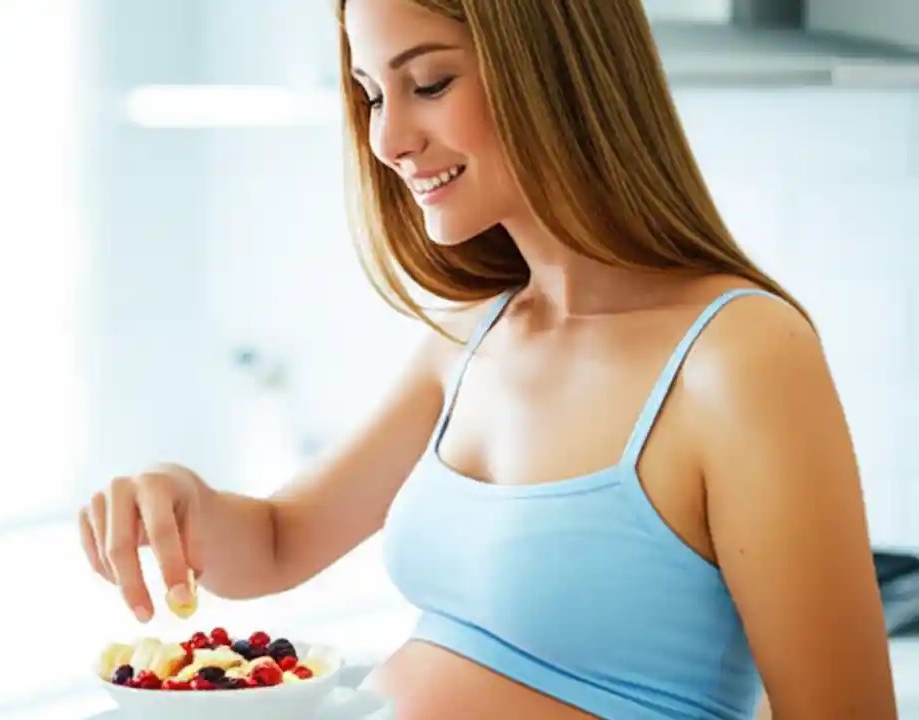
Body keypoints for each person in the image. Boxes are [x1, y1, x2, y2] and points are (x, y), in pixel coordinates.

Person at [78, 0, 899, 717]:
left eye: (428, 84)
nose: (389, 138)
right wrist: (181, 502)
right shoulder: (470, 336)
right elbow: (278, 542)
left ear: (553, 69)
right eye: (370, 95)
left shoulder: (740, 356)